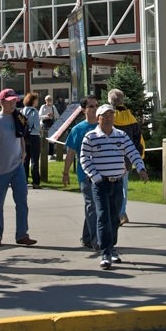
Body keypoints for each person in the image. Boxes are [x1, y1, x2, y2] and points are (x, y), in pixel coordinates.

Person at [80, 103, 148, 270]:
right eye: (105, 115)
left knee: (115, 217)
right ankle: (105, 253)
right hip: (100, 184)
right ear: (99, 118)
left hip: (117, 182)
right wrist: (96, 177)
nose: (109, 118)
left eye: (111, 115)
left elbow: (132, 152)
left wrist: (141, 168)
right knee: (103, 216)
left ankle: (111, 248)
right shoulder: (91, 136)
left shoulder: (121, 135)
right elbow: (84, 159)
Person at [0, 88, 37, 248]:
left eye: (15, 101)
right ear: (1, 102)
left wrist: (24, 151)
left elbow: (20, 136)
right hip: (0, 167)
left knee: (22, 201)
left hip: (17, 166)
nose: (13, 104)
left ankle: (22, 234)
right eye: (9, 101)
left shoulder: (18, 117)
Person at [62, 95, 99, 249]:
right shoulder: (78, 129)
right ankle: (96, 240)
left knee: (96, 206)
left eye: (96, 105)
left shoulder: (103, 127)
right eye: (91, 106)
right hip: (85, 174)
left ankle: (86, 237)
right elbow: (70, 153)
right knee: (92, 205)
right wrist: (65, 173)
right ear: (83, 109)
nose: (95, 109)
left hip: (102, 174)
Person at [108, 88, 145, 226]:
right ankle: (122, 212)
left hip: (110, 158)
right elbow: (138, 138)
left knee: (110, 188)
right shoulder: (130, 117)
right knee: (123, 187)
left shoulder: (108, 116)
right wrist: (139, 156)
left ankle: (115, 213)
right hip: (127, 158)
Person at [20, 92, 41, 188]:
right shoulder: (34, 112)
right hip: (34, 137)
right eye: (36, 100)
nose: (37, 101)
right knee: (34, 160)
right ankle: (35, 182)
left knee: (25, 159)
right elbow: (37, 127)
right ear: (33, 101)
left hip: (24, 137)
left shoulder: (22, 111)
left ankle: (24, 180)